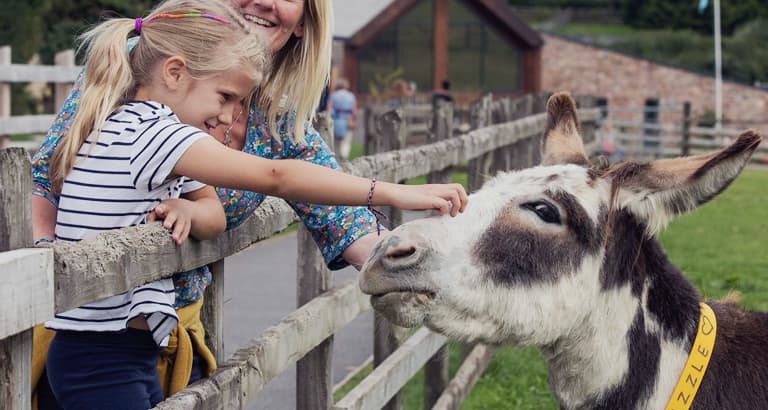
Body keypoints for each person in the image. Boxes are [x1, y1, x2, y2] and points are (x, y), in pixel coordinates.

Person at [30, 1, 468, 409]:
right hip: (91, 338)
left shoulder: (266, 122)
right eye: (224, 99)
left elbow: (343, 225)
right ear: (175, 73)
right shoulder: (146, 109)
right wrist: (394, 192)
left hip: (152, 338)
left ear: (303, 22)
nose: (227, 115)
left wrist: (447, 273)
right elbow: (277, 177)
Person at [328, 77, 356, 159]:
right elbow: (354, 110)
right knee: (346, 141)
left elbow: (329, 109)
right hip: (348, 121)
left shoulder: (333, 95)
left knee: (335, 142)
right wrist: (353, 119)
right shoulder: (351, 95)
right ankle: (344, 157)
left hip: (336, 121)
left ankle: (336, 158)